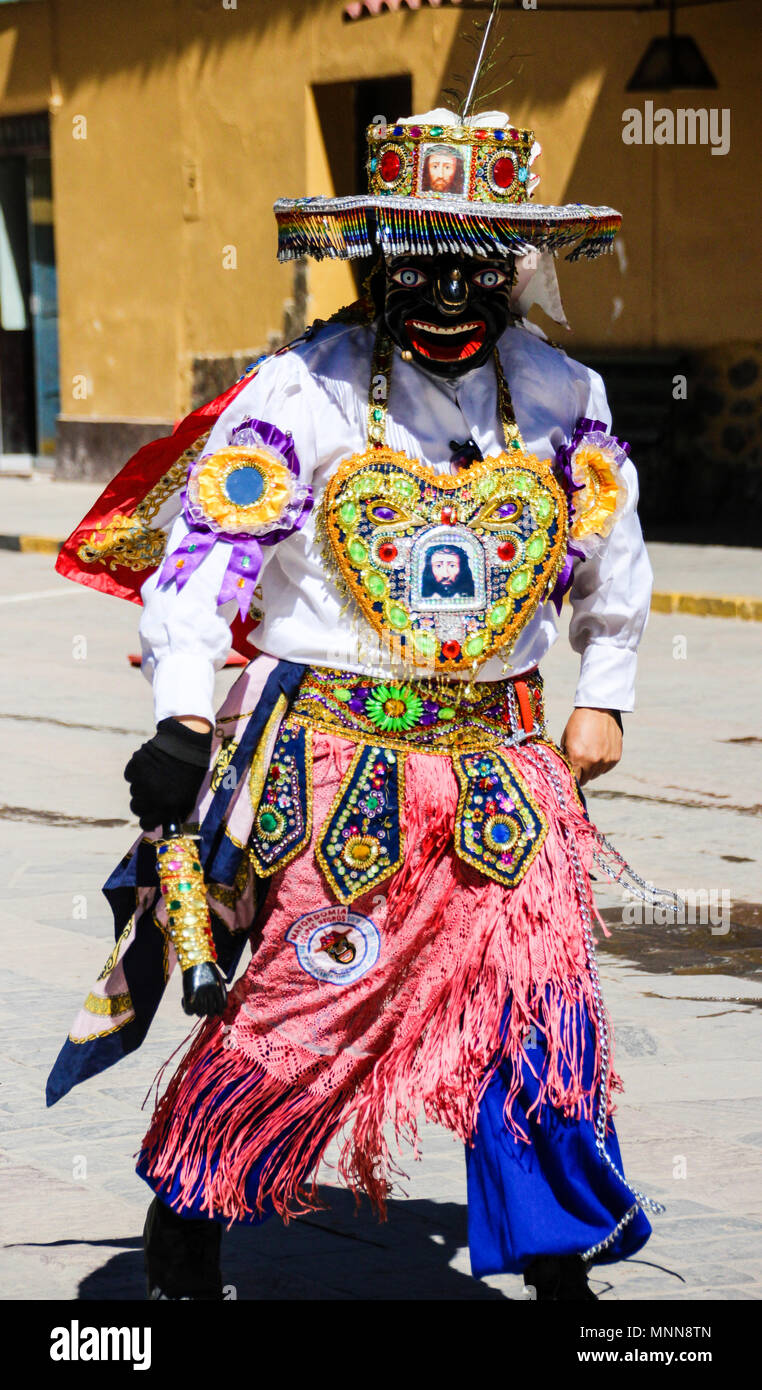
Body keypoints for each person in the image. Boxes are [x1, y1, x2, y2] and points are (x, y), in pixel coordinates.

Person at [47, 108, 669, 1303]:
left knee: (541, 1010)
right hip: (339, 764)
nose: (446, 289)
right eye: (417, 259)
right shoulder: (300, 391)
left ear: (513, 266)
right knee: (310, 996)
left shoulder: (563, 394)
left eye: (473, 261)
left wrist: (611, 691)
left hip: (502, 764)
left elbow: (614, 550)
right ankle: (195, 1201)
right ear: (375, 262)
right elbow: (205, 557)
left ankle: (551, 1253)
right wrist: (184, 719)